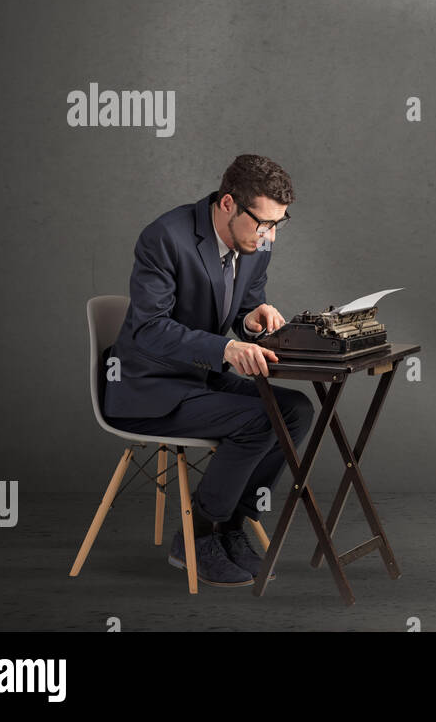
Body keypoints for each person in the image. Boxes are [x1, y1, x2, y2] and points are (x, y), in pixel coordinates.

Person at [104, 154, 314, 586]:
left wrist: (252, 316)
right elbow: (149, 329)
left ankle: (231, 526)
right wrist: (226, 348)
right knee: (259, 421)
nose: (269, 235)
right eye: (262, 223)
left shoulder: (258, 242)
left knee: (296, 411)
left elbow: (241, 303)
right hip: (149, 388)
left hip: (201, 380)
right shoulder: (164, 237)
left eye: (278, 224)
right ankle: (197, 536)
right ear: (227, 205)